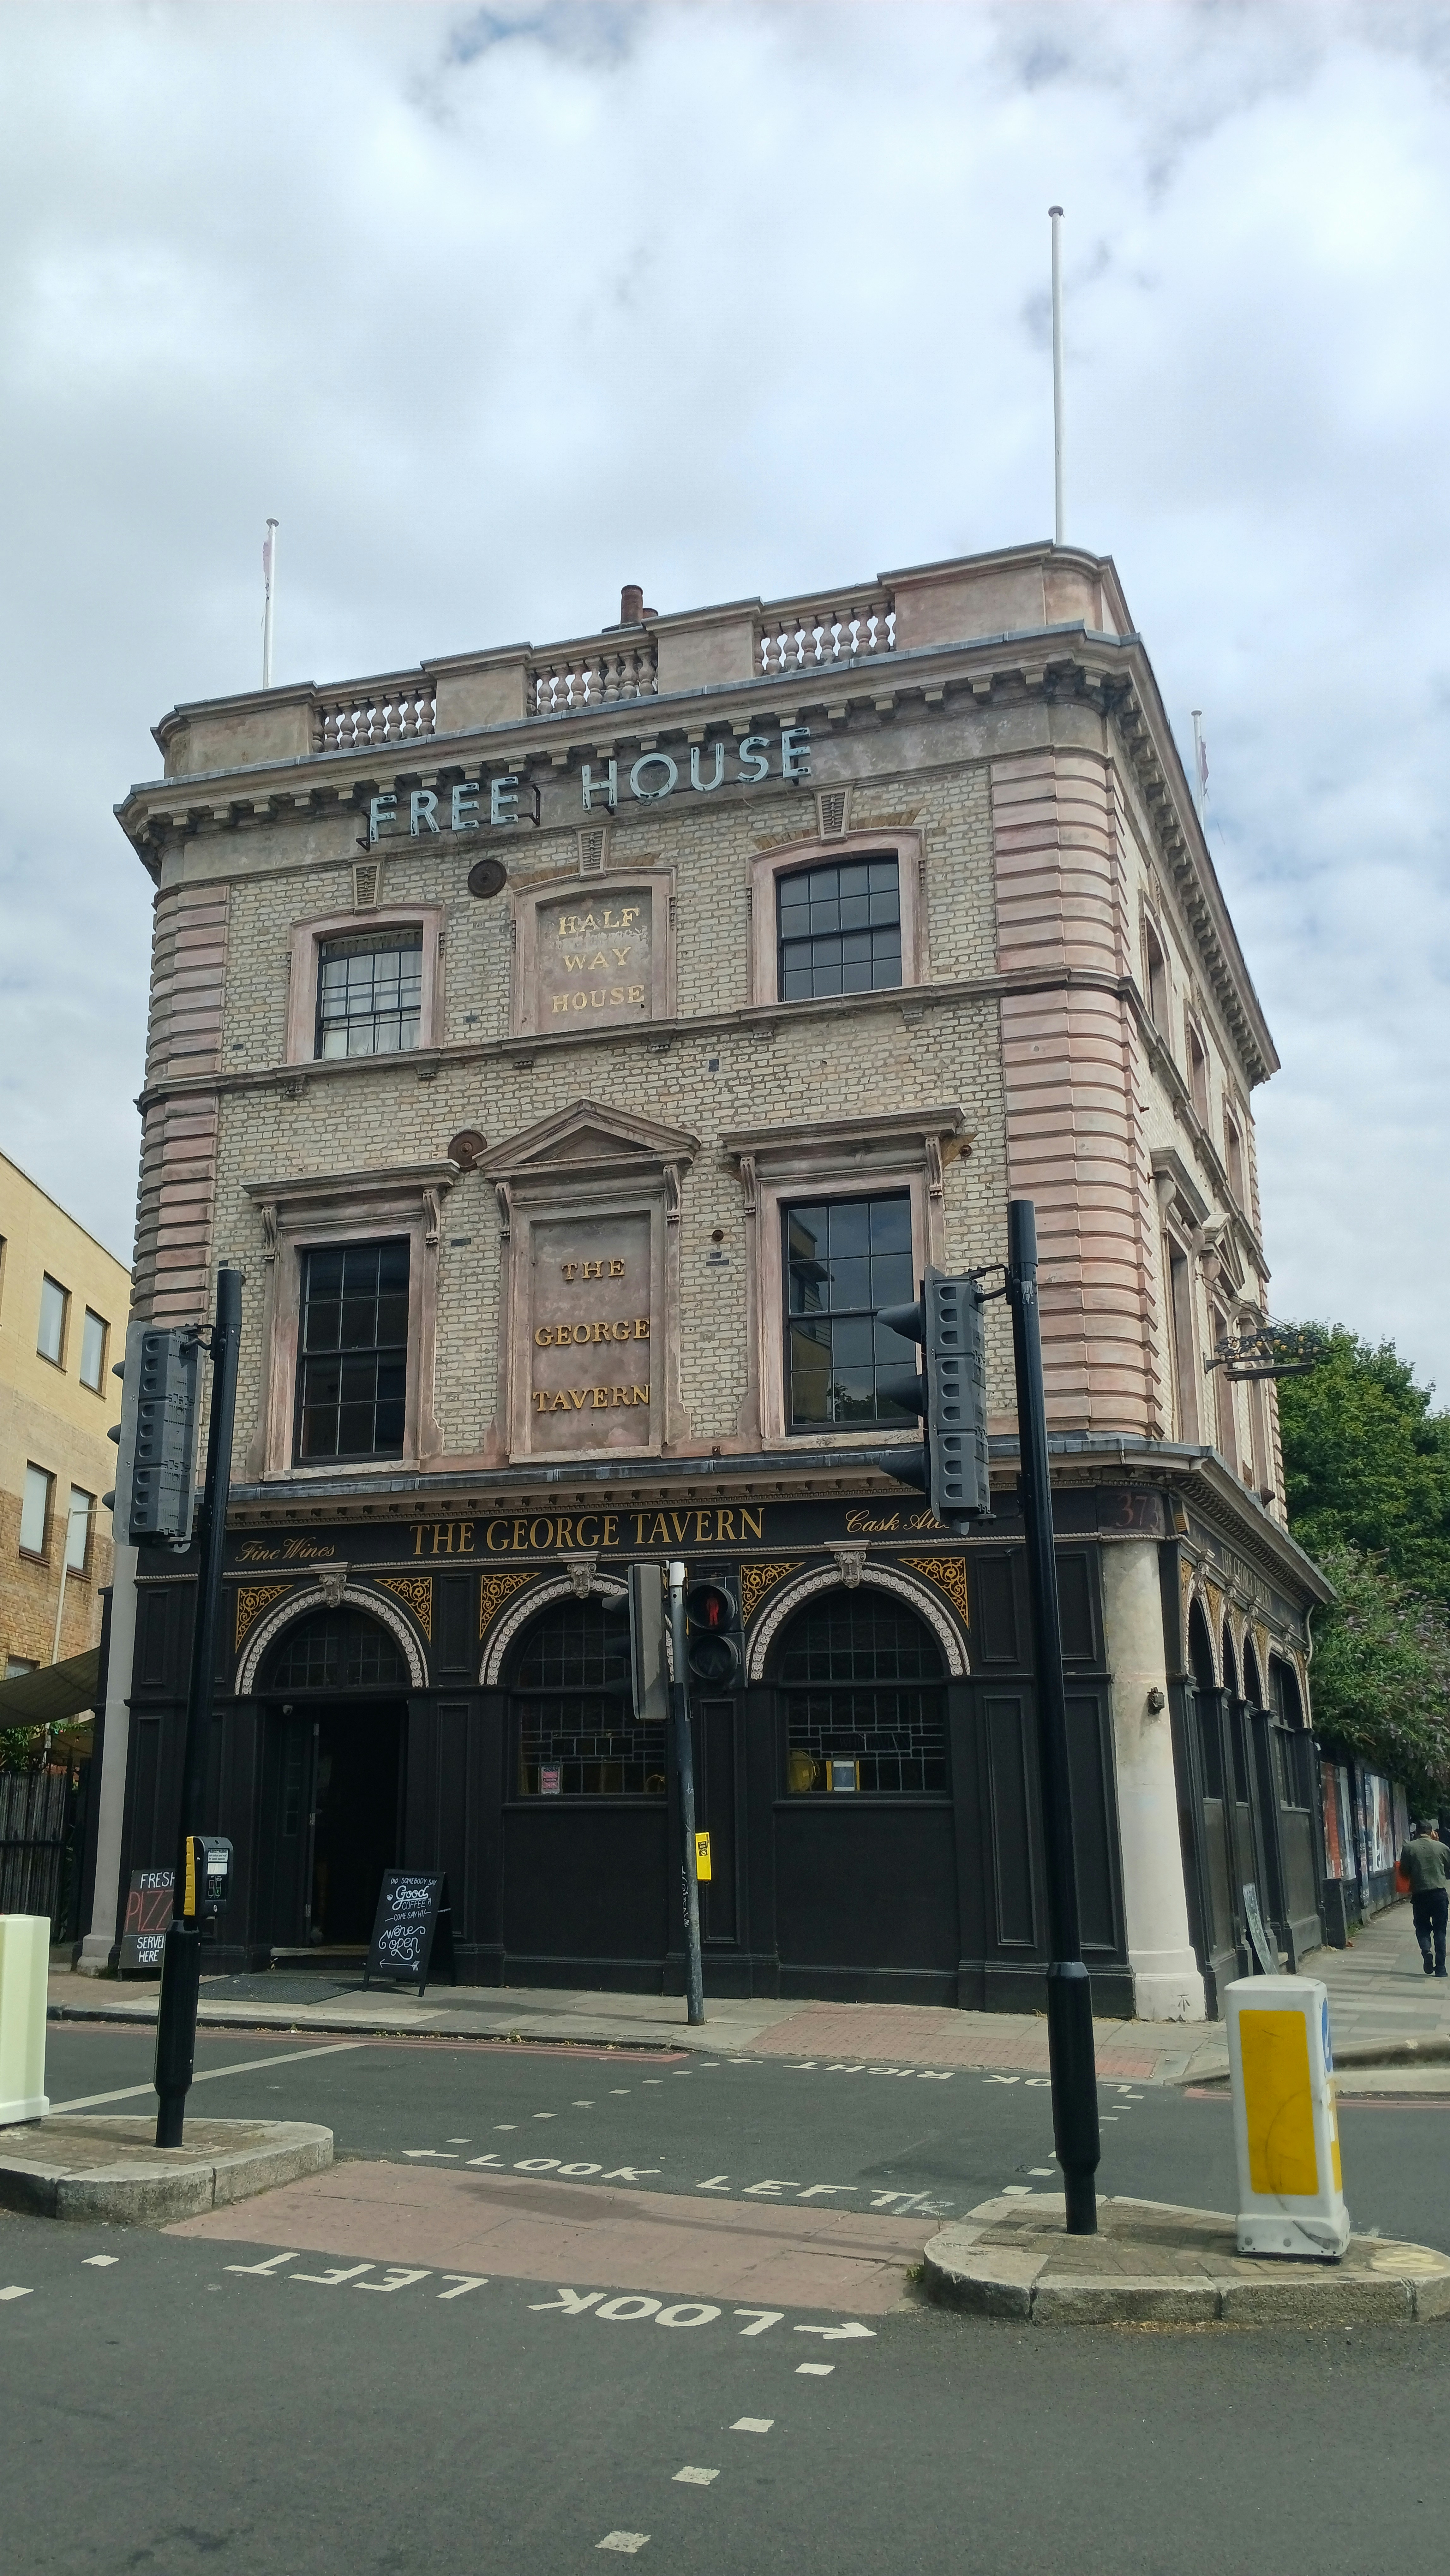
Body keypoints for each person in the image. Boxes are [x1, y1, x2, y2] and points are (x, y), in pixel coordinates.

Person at [1398, 1820, 1450, 1977]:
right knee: (1440, 1931)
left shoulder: (1409, 1848)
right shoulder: (1442, 1847)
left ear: (1417, 1832)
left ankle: (1427, 1951)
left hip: (1420, 1895)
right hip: (1439, 1895)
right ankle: (1441, 1969)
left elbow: (1404, 1873)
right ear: (1431, 1832)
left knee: (1422, 1927)